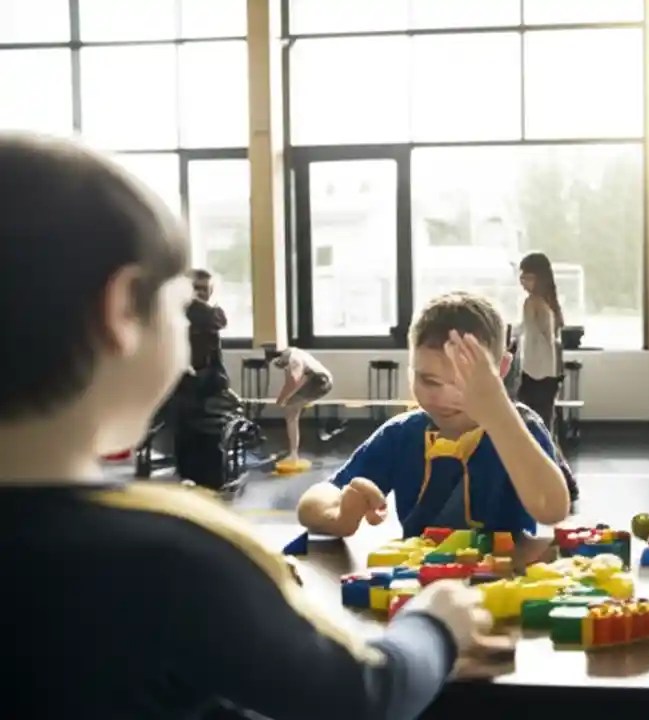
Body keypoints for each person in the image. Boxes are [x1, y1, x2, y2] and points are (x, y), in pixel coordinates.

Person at [0, 132, 507, 718]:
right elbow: (362, 695)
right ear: (122, 312)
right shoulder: (176, 557)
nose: (189, 350)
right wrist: (434, 626)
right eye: (176, 310)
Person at [294, 291, 572, 541]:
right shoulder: (403, 434)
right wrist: (338, 515)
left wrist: (496, 409)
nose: (444, 397)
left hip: (504, 587)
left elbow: (552, 509)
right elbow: (314, 500)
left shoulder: (519, 428)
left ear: (501, 369)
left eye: (464, 382)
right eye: (428, 381)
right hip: (421, 588)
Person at [514, 252, 580, 510]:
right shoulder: (538, 303)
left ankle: (564, 481)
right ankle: (558, 479)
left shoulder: (539, 304)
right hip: (536, 374)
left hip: (540, 376)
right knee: (538, 428)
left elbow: (548, 342)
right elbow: (527, 337)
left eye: (528, 276)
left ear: (540, 278)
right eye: (521, 276)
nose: (523, 281)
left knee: (539, 429)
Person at [273, 345, 334, 469]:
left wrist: (281, 399)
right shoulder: (295, 353)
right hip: (319, 380)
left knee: (291, 413)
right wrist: (286, 398)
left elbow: (294, 381)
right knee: (291, 409)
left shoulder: (293, 359)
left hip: (319, 382)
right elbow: (296, 381)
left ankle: (293, 454)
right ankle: (292, 450)